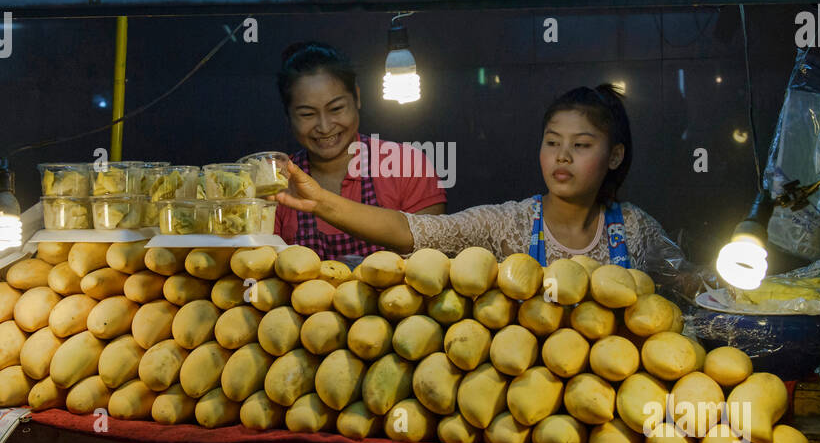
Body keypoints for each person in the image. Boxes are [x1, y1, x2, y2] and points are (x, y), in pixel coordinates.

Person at [276, 83, 711, 299]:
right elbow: (414, 232)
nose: (562, 156)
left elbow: (686, 284)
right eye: (552, 142)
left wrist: (708, 281)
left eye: (580, 146)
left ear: (614, 156)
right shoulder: (508, 224)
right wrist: (325, 203)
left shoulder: (636, 230)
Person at [275, 42, 446, 258]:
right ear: (288, 116)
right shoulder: (278, 182)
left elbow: (431, 257)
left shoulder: (407, 164)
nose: (325, 126)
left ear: (357, 97)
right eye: (307, 114)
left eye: (336, 109)